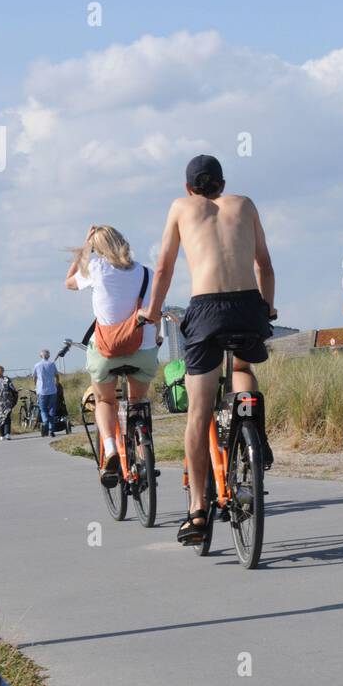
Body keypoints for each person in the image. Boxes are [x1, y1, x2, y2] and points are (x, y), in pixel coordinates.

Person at [141, 154, 275, 543]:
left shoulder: (181, 207)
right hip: (249, 307)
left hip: (207, 310)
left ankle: (197, 510)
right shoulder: (245, 204)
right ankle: (253, 430)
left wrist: (151, 312)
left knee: (199, 413)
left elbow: (164, 268)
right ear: (223, 183)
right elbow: (264, 265)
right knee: (242, 368)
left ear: (189, 188)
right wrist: (267, 308)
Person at [66, 224, 162, 486]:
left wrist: (85, 249)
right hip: (142, 348)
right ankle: (143, 453)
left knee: (105, 400)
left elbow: (69, 282)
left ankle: (109, 449)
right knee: (138, 400)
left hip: (107, 351)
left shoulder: (95, 269)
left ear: (98, 249)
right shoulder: (146, 273)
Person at [33, 349, 59, 436]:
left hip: (41, 390)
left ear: (41, 356)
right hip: (52, 390)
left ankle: (45, 421)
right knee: (52, 409)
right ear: (48, 356)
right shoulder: (52, 364)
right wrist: (57, 383)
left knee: (43, 409)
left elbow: (35, 377)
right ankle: (51, 430)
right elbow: (56, 375)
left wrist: (36, 386)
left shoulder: (37, 365)